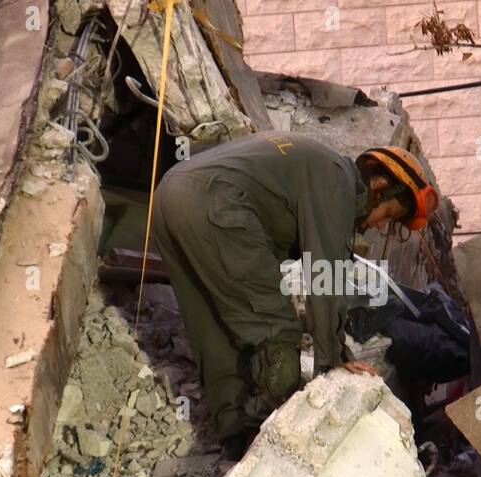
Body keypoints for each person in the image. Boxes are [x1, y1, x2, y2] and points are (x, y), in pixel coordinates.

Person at [152, 131, 438, 460]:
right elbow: (325, 274)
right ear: (379, 188)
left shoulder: (317, 164)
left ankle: (234, 437)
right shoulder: (337, 184)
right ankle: (264, 440)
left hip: (169, 195)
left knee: (214, 330)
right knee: (277, 330)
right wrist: (334, 359)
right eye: (386, 215)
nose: (376, 226)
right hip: (216, 204)